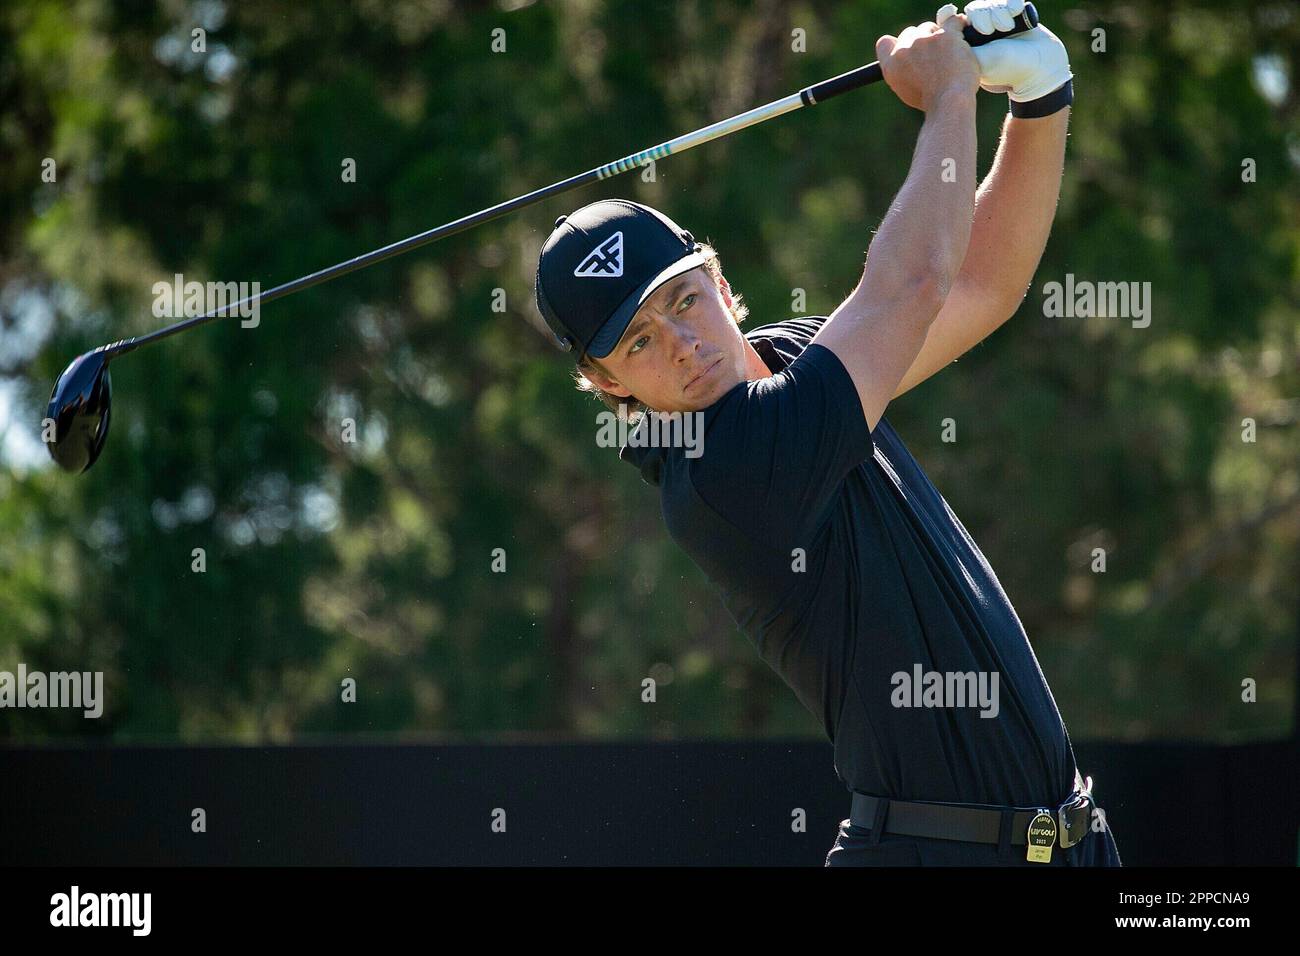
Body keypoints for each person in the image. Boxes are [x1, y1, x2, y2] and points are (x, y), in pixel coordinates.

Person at [533, 0, 1121, 866]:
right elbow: (912, 281)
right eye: (642, 342)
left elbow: (979, 286)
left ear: (722, 281)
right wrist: (949, 93)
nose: (687, 346)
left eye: (684, 300)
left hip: (1069, 843)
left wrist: (1039, 102)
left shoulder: (797, 363)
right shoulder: (724, 473)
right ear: (609, 385)